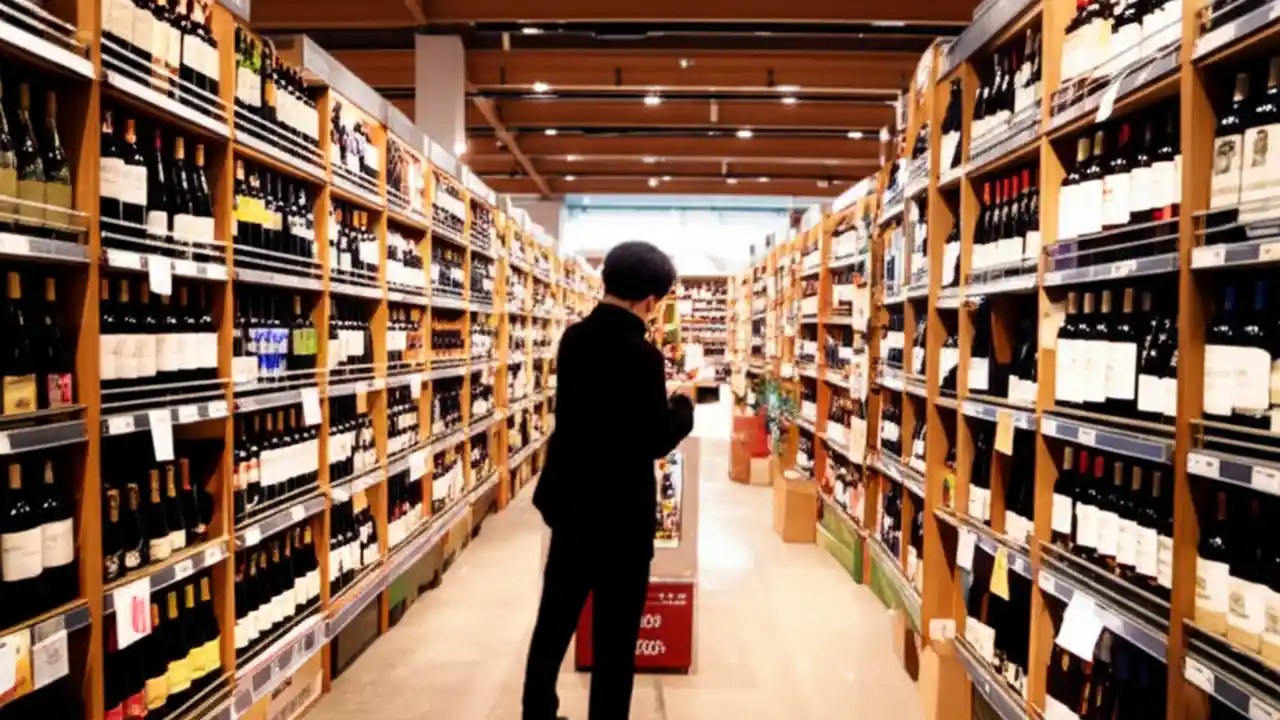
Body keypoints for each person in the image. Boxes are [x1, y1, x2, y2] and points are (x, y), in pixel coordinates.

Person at [523, 241, 696, 720]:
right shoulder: (643, 357)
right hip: (622, 518)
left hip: (573, 506)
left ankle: (537, 711)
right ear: (649, 302)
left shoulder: (573, 339)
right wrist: (683, 407)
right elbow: (653, 439)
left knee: (553, 623)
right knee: (616, 640)